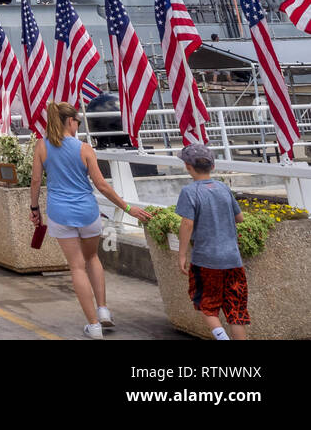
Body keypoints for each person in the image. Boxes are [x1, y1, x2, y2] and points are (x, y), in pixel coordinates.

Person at [29, 101, 151, 338]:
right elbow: (102, 186)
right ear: (70, 121)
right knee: (93, 257)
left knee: (76, 267)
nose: (78, 125)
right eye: (77, 122)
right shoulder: (84, 149)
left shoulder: (42, 146)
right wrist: (127, 208)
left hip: (59, 212)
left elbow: (35, 181)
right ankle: (103, 309)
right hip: (87, 211)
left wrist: (34, 208)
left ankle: (93, 325)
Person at [176, 143, 249, 340]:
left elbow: (187, 224)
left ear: (187, 166)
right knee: (236, 309)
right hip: (233, 259)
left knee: (205, 303)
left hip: (206, 260)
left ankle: (221, 337)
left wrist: (182, 254)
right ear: (213, 166)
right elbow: (240, 218)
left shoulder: (190, 192)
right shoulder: (223, 188)